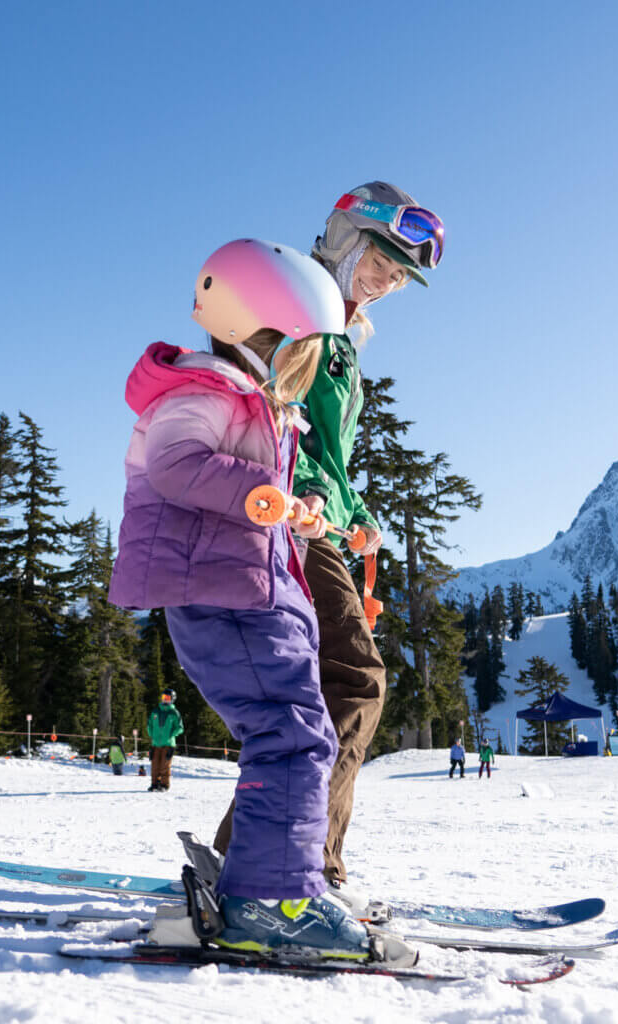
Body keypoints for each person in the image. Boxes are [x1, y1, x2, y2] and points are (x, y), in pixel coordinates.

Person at [109, 238, 413, 965]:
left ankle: (275, 882)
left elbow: (264, 492)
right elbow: (177, 464)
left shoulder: (255, 403)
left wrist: (304, 506)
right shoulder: (202, 391)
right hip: (226, 598)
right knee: (294, 737)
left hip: (257, 592)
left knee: (300, 734)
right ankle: (273, 904)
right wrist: (261, 496)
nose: (308, 374)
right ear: (262, 334)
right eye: (303, 355)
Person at [211, 183, 444, 914]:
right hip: (282, 520)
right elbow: (268, 407)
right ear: (346, 239)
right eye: (382, 262)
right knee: (354, 679)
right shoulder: (297, 310)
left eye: (401, 276)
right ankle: (298, 867)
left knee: (316, 695)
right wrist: (307, 494)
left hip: (311, 522)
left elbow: (329, 460)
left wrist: (356, 511)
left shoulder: (341, 338)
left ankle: (250, 856)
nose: (390, 282)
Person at [146, 690, 183, 792]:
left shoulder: (174, 713)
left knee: (164, 765)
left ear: (172, 699)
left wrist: (171, 735)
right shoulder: (155, 711)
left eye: (167, 698)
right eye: (164, 697)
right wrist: (152, 735)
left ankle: (164, 785)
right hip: (155, 743)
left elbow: (179, 727)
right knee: (155, 765)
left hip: (168, 744)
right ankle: (154, 784)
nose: (165, 700)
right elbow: (149, 725)